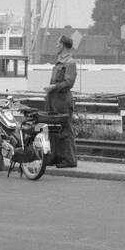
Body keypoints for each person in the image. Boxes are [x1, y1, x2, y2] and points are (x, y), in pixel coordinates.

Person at [45, 33, 78, 168]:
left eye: (58, 43)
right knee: (53, 129)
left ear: (63, 45)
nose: (56, 45)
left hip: (63, 101)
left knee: (65, 129)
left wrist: (53, 87)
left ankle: (70, 160)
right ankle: (55, 156)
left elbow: (69, 83)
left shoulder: (70, 62)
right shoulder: (59, 61)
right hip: (54, 100)